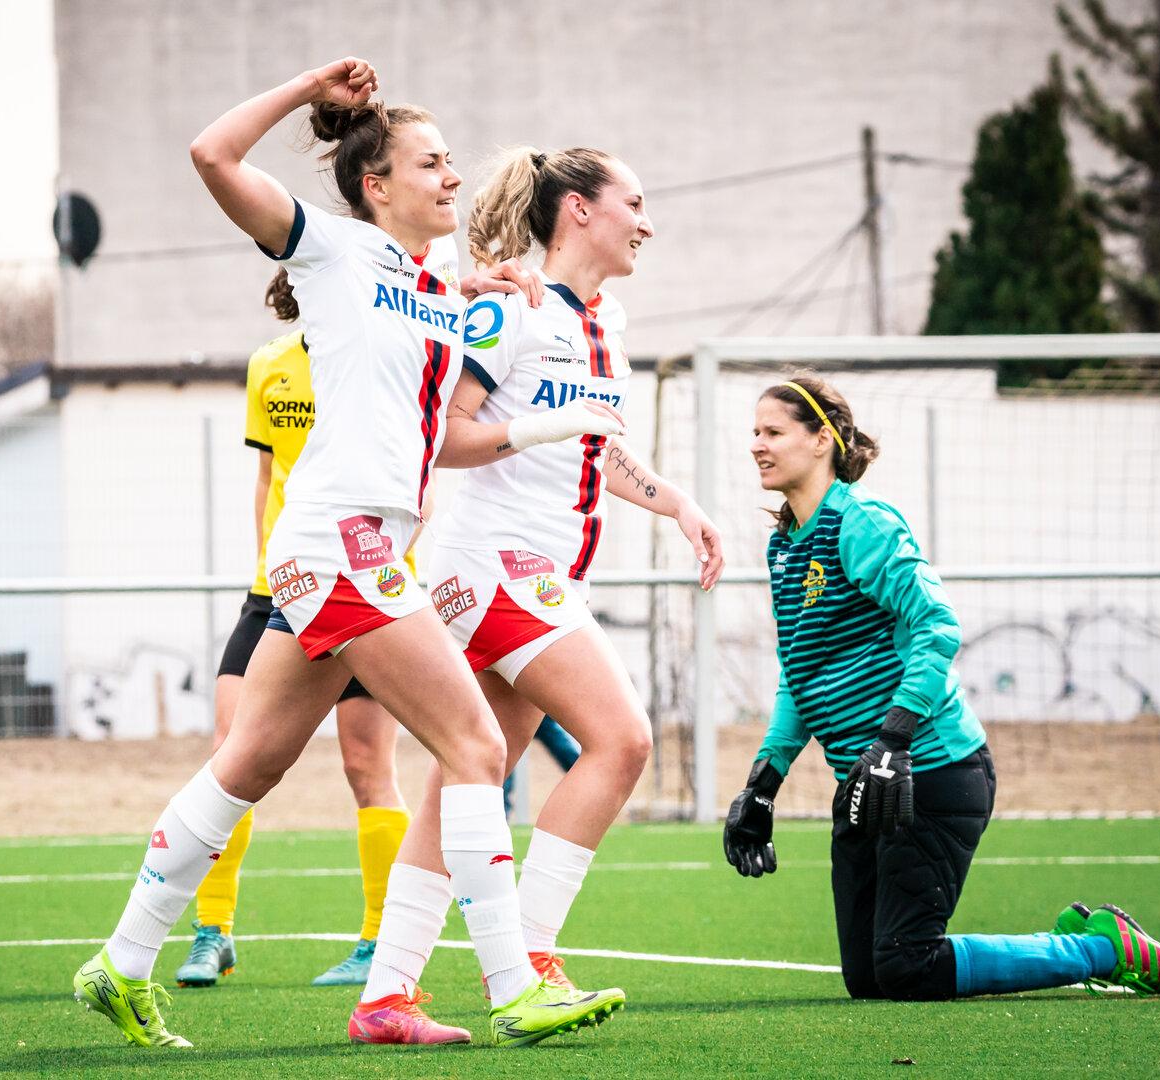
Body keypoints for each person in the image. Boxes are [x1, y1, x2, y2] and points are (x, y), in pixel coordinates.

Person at [72, 58, 627, 1050]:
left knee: (249, 762)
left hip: (357, 545)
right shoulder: (329, 246)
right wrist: (307, 89)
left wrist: (494, 301)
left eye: (454, 162)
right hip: (345, 540)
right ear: (376, 184)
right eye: (432, 162)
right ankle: (514, 983)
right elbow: (211, 152)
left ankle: (121, 962)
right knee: (475, 746)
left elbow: (448, 365)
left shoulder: (423, 281)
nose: (453, 178)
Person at [355, 146, 724, 1020]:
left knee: (470, 775)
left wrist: (675, 503)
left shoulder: (608, 323)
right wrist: (543, 425)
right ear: (580, 212)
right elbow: (443, 435)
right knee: (622, 739)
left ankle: (386, 993)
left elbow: (596, 440)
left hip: (537, 572)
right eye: (634, 200)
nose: (647, 220)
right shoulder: (511, 310)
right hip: (497, 566)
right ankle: (529, 953)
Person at [721, 375, 1160, 1002]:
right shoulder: (784, 547)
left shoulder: (860, 521)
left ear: (822, 441)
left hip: (934, 771)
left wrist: (895, 738)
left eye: (773, 432)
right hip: (868, 784)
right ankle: (1083, 940)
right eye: (754, 432)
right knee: (870, 978)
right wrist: (762, 785)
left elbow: (937, 626)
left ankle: (1103, 949)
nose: (757, 444)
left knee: (907, 967)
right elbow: (800, 676)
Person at [171, 270, 411, 992]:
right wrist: (266, 567)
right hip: (274, 590)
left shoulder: (381, 359)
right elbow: (267, 475)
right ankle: (212, 930)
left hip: (363, 586)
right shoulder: (270, 365)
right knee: (229, 750)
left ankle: (379, 939)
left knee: (367, 767)